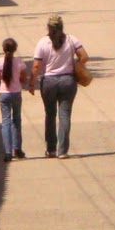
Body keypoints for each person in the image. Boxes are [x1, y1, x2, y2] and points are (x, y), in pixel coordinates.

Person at [32, 14, 87, 159]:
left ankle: (51, 149)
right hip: (67, 81)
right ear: (61, 26)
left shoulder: (42, 42)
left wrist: (31, 83)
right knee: (65, 115)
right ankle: (63, 151)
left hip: (48, 82)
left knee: (50, 115)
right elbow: (84, 56)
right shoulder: (71, 39)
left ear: (48, 27)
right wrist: (77, 66)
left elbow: (37, 65)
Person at [0, 36, 32, 162]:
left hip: (4, 94)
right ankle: (17, 148)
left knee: (6, 121)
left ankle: (8, 152)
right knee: (17, 120)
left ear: (3, 49)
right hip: (16, 93)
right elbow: (24, 79)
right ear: (15, 49)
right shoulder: (19, 62)